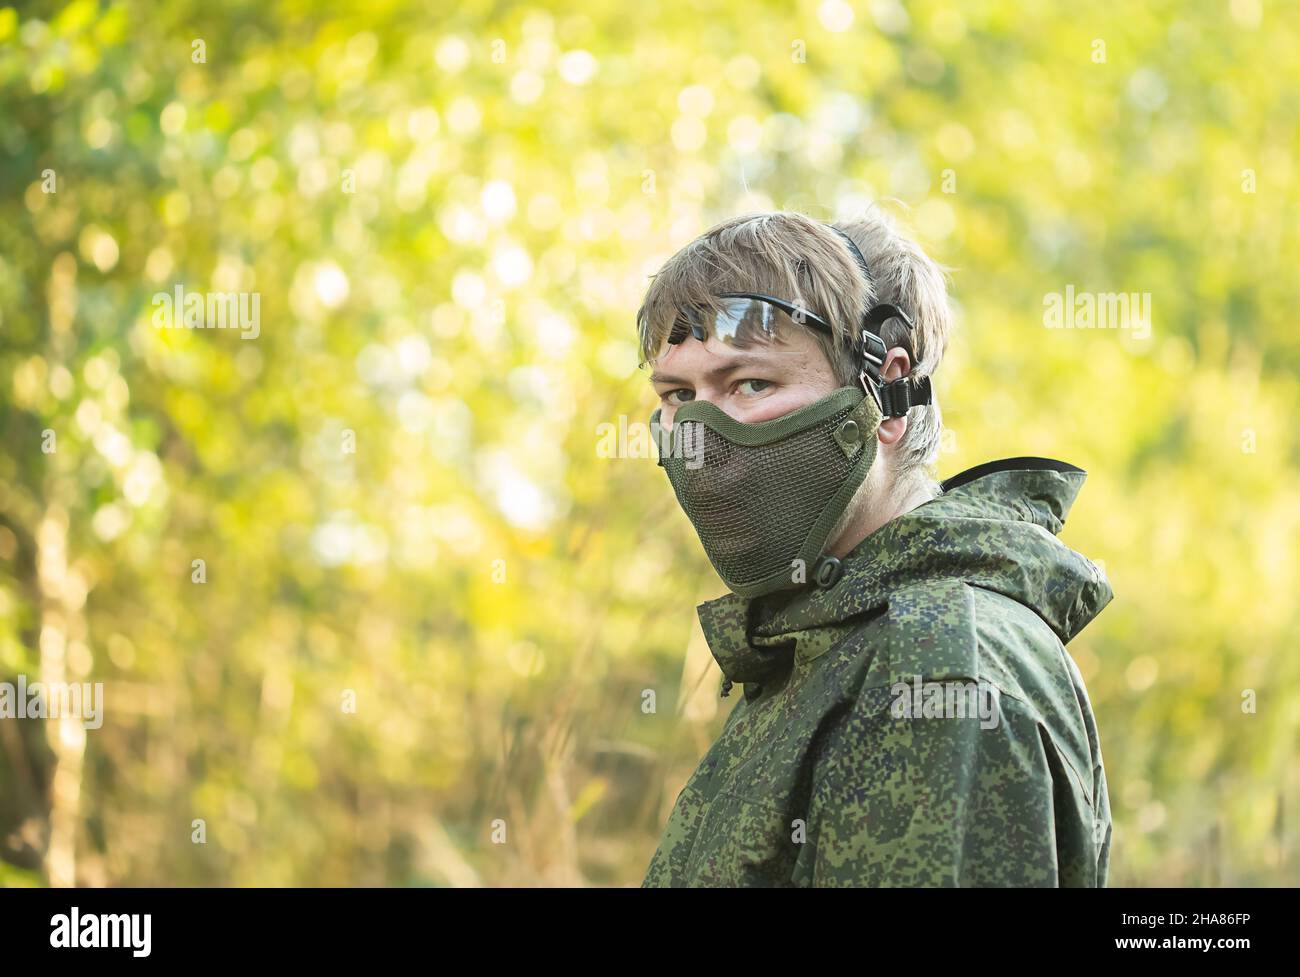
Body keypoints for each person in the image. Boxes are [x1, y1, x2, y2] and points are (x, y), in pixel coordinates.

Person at [636, 207, 1113, 887]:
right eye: (679, 394)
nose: (702, 436)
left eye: (751, 383)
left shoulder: (930, 675)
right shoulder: (828, 640)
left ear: (885, 397)